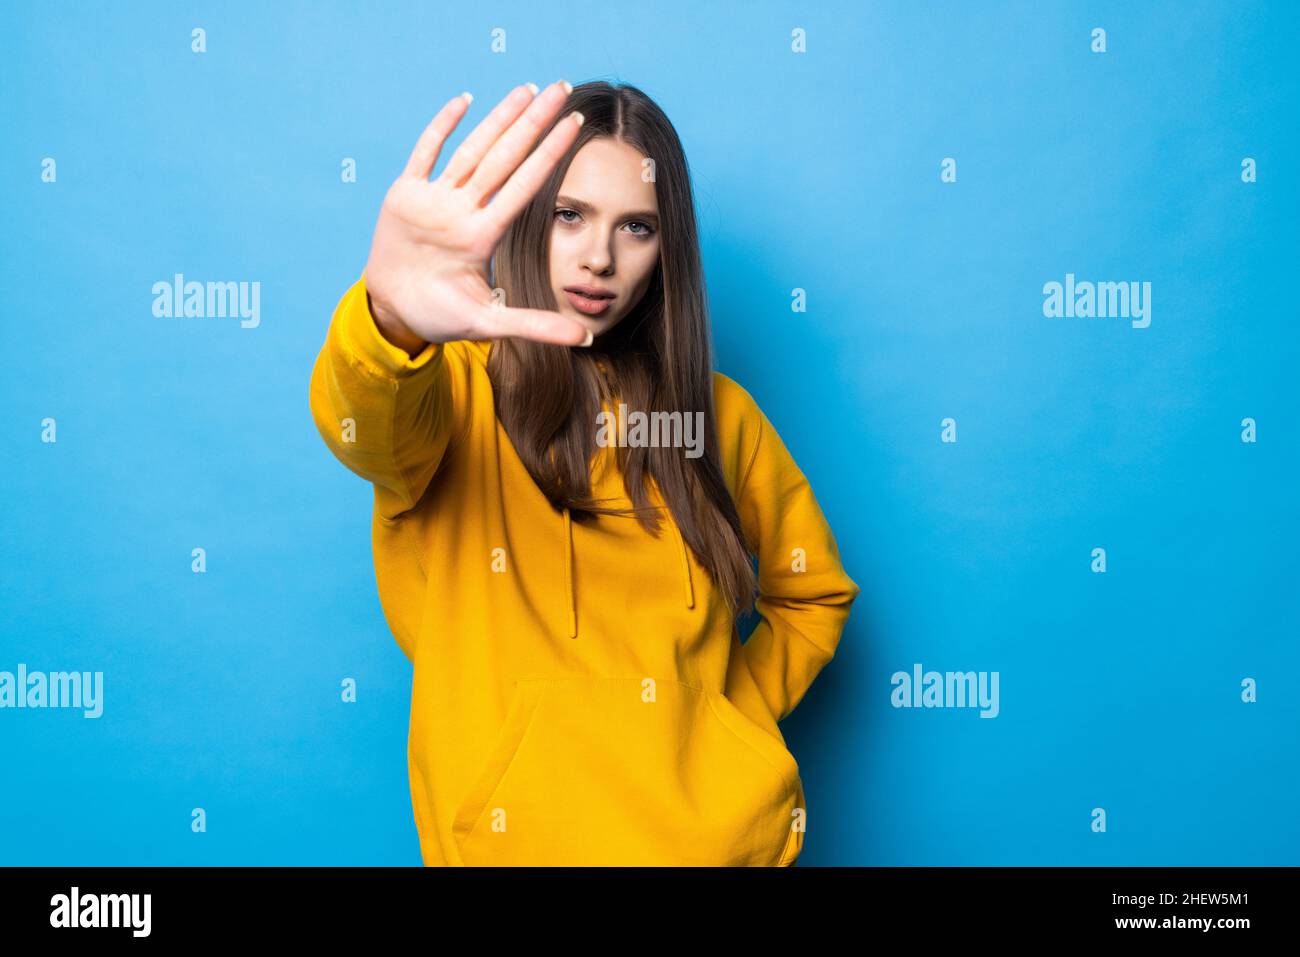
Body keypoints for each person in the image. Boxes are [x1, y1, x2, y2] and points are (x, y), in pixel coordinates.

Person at [308, 79, 860, 866]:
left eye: (635, 227)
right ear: (530, 216)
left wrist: (724, 722)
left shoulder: (716, 417)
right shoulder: (448, 390)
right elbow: (359, 426)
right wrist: (389, 321)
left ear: (667, 250)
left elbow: (815, 593)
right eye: (571, 215)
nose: (598, 257)